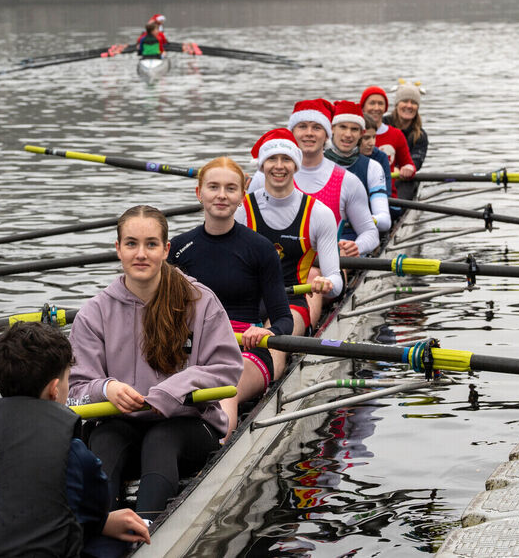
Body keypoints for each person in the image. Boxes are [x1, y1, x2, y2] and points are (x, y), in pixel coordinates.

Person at [68, 205, 243, 522]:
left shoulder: (200, 300)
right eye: (131, 244)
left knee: (161, 439)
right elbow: (74, 391)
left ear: (166, 249)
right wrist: (106, 389)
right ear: (118, 249)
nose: (141, 254)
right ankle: (98, 530)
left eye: (151, 244)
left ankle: (147, 529)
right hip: (120, 424)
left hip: (188, 425)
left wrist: (169, 393)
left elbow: (228, 370)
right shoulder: (94, 313)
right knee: (104, 441)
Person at [0, 321, 151, 557]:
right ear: (54, 389)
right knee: (115, 544)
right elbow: (97, 506)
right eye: (68, 380)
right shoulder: (71, 451)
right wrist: (102, 523)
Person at [169, 156, 293, 435]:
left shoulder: (261, 249)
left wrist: (266, 333)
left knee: (224, 390)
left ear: (242, 195)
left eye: (230, 188)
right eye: (213, 187)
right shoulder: (178, 248)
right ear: (199, 193)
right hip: (195, 347)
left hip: (246, 349)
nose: (222, 195)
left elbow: (284, 319)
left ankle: (220, 450)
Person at [239, 128, 342, 336]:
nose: (279, 166)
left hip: (291, 302)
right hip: (245, 301)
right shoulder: (240, 209)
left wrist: (327, 283)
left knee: (266, 347)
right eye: (272, 159)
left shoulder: (319, 213)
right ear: (262, 166)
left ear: (295, 165)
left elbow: (336, 282)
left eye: (286, 159)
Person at [248, 99, 380, 258]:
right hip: (270, 264)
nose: (309, 133)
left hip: (324, 266)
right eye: (302, 126)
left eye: (317, 127)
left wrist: (356, 247)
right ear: (292, 132)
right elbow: (243, 223)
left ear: (327, 135)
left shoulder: (347, 181)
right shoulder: (264, 176)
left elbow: (370, 233)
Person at [327, 100, 391, 238]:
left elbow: (385, 221)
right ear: (332, 128)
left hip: (356, 240)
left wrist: (364, 220)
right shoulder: (314, 162)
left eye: (354, 129)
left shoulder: (372, 167)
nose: (348, 134)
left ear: (361, 133)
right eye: (343, 127)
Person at [360, 86, 416, 198]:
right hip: (359, 193)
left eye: (380, 104)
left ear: (385, 108)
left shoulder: (396, 134)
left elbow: (409, 164)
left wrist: (408, 169)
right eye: (372, 103)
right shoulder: (353, 132)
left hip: (388, 195)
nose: (376, 108)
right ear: (363, 107)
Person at [385, 79, 429, 201]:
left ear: (417, 107)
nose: (409, 106)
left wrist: (408, 168)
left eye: (413, 102)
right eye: (405, 101)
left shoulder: (420, 136)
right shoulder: (382, 125)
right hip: (380, 176)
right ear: (397, 104)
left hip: (404, 179)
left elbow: (416, 161)